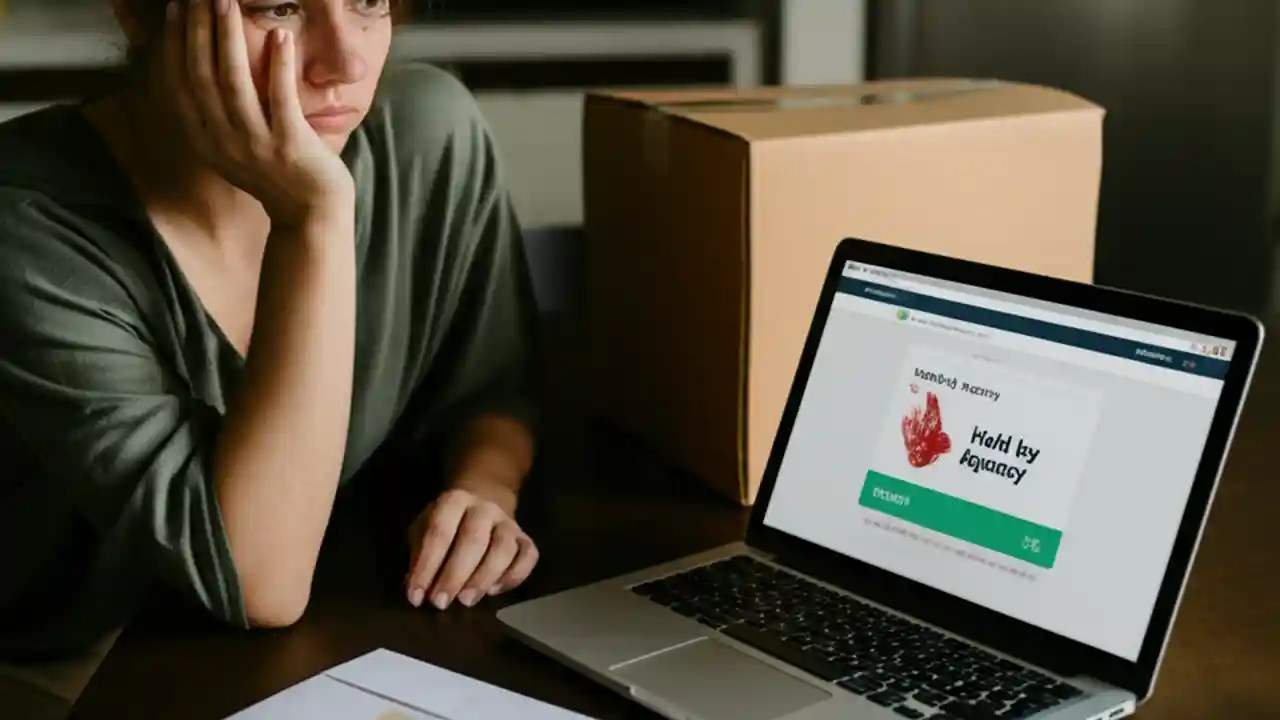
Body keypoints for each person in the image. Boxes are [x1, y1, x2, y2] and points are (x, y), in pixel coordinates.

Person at [0, 0, 542, 677]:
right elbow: (260, 582)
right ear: (140, 16)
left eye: (369, 3)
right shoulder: (25, 217)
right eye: (278, 8)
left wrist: (485, 494)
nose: (345, 62)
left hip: (309, 641)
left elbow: (488, 386)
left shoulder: (426, 133)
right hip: (63, 668)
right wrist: (312, 215)